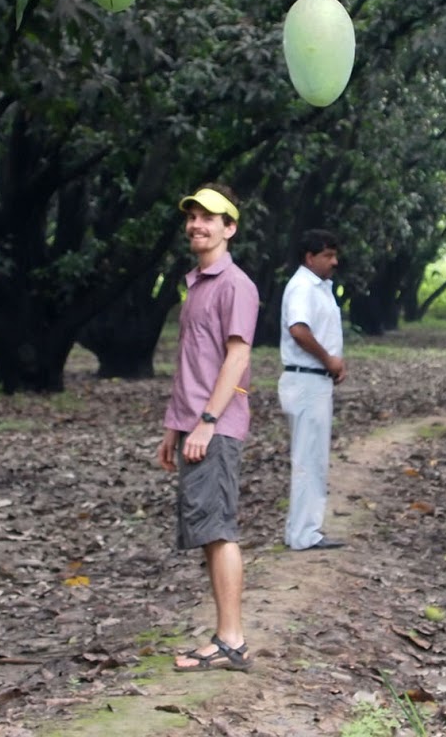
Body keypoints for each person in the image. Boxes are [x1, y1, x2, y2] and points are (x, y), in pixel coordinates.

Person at [155, 183, 260, 672]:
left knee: (218, 530)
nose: (197, 225)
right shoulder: (197, 282)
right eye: (192, 217)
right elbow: (194, 362)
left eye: (209, 217)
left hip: (215, 427)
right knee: (207, 528)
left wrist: (207, 422)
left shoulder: (235, 284)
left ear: (229, 227)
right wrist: (176, 426)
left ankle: (231, 640)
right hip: (196, 424)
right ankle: (224, 635)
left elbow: (237, 356)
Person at [278, 228, 345, 551]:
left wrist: (332, 363)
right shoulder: (303, 287)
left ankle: (302, 530)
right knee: (308, 459)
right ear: (309, 257)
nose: (335, 261)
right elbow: (298, 330)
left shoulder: (319, 288)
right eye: (328, 255)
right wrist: (328, 359)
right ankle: (305, 534)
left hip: (314, 379)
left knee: (312, 457)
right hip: (305, 378)